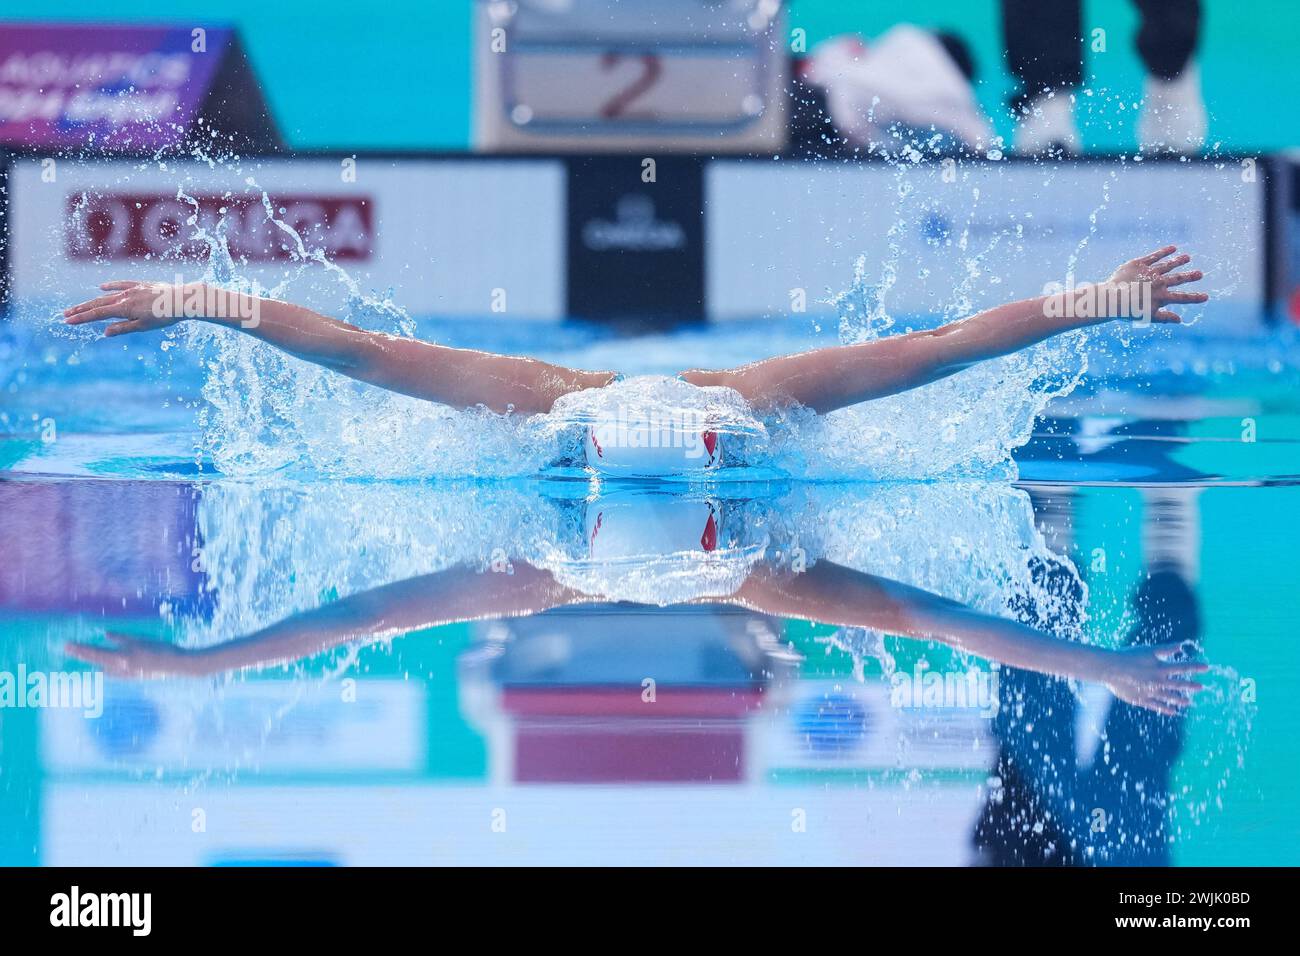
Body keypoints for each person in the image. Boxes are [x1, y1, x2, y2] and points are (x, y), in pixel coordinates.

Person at [62, 246, 1206, 471]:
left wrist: (1099, 298)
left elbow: (942, 351)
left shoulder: (766, 400)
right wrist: (193, 293)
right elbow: (359, 351)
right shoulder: (541, 401)